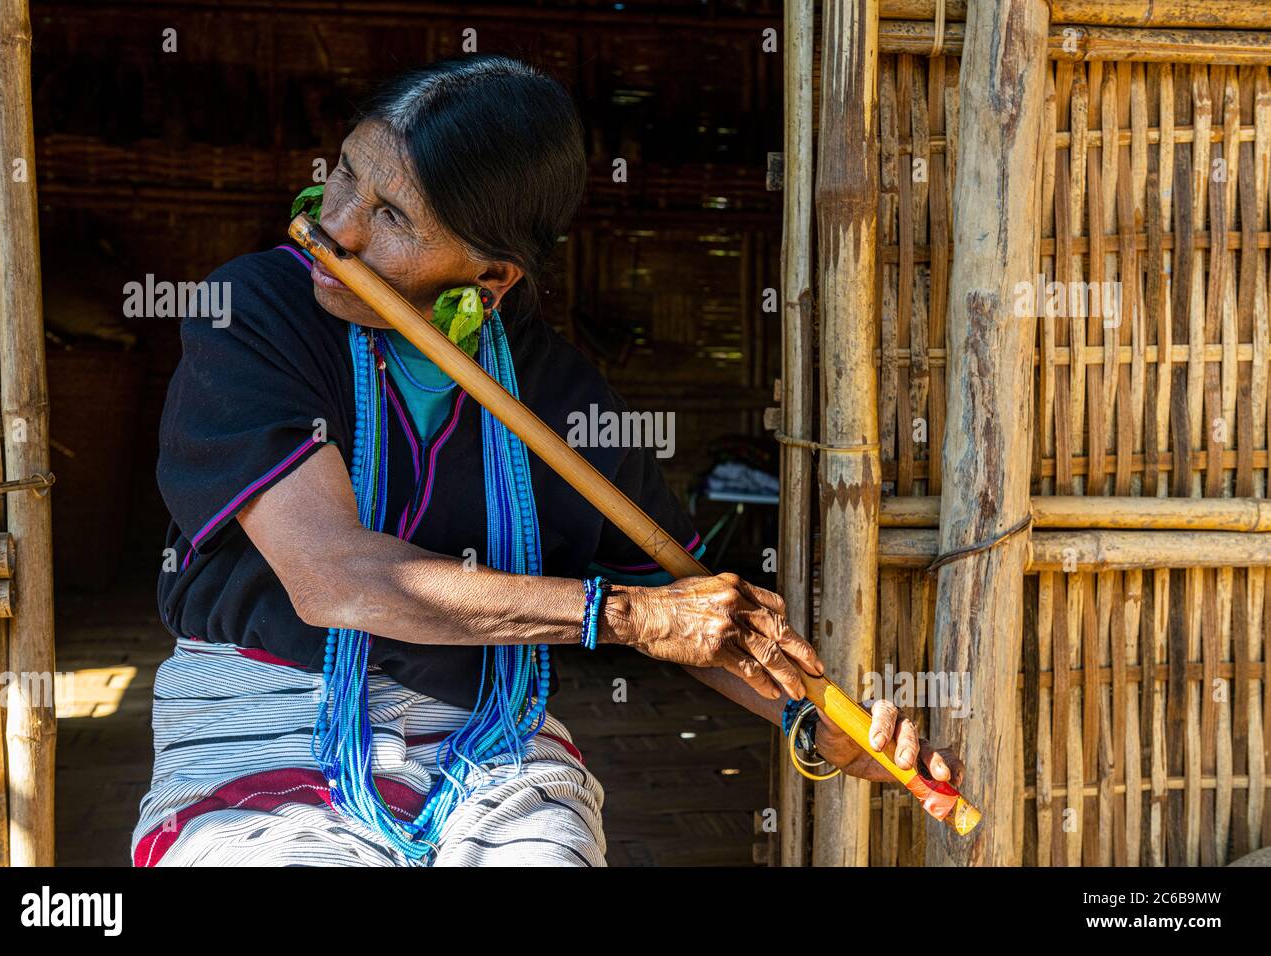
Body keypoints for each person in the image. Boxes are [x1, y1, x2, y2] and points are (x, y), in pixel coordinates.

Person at [133, 54, 963, 867]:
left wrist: (809, 722)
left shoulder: (559, 392)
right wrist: (624, 618)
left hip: (488, 740)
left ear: (489, 276)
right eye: (345, 174)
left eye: (391, 217)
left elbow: (681, 601)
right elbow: (334, 577)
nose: (336, 226)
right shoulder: (254, 310)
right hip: (263, 714)